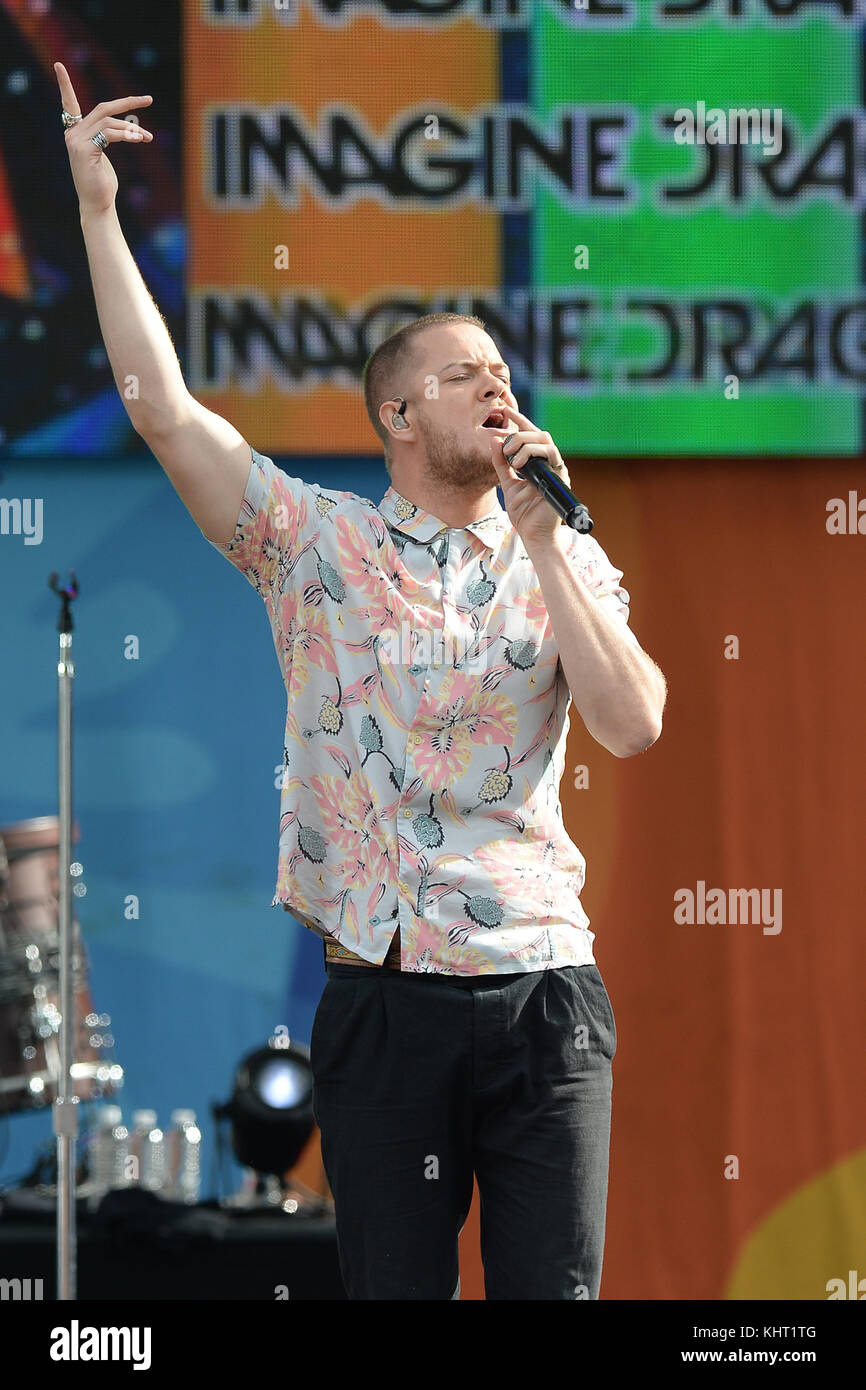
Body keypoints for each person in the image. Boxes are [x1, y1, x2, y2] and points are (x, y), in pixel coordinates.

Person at [55, 62, 667, 1300]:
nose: (495, 388)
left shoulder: (565, 554)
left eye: (500, 372)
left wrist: (546, 546)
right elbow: (165, 412)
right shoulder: (315, 545)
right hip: (384, 999)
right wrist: (98, 213)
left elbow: (633, 722)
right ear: (395, 413)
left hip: (542, 986)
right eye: (460, 376)